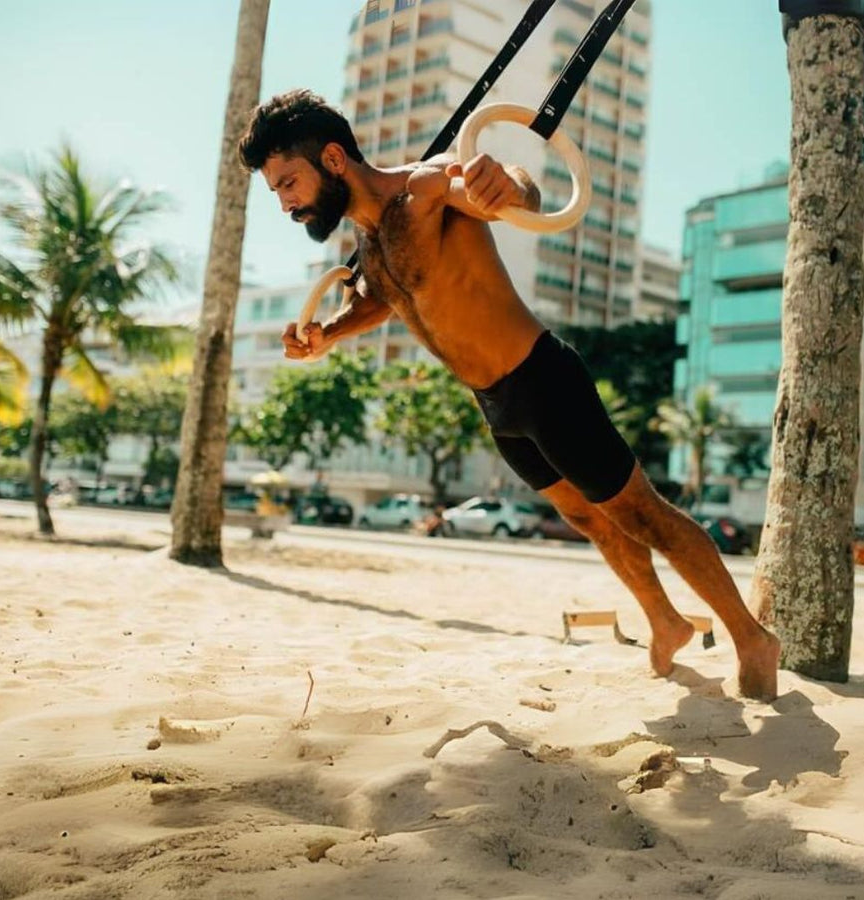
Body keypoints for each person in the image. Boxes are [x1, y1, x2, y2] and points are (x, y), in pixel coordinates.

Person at [238, 89, 780, 701]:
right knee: (586, 518)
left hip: (542, 380)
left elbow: (517, 193)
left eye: (288, 183)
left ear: (333, 159)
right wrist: (327, 334)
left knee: (641, 514)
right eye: (276, 191)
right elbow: (385, 298)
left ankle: (751, 638)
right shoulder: (368, 243)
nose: (285, 203)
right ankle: (666, 620)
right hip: (496, 404)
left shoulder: (427, 186)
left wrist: (510, 183)